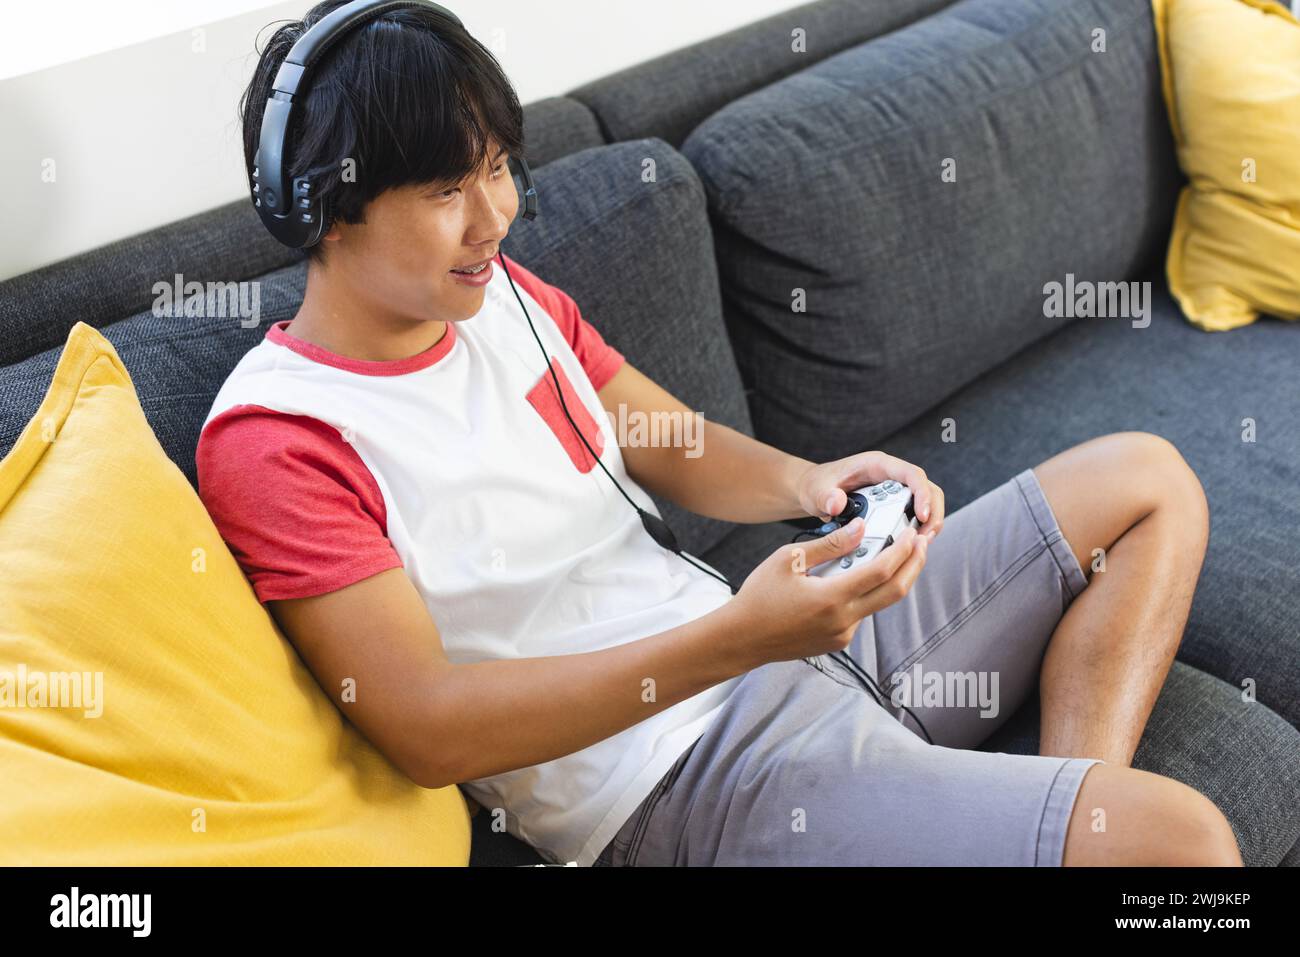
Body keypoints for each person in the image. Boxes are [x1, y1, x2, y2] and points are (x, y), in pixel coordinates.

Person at [196, 0, 1242, 867]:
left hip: (779, 653)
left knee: (1144, 481)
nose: (494, 216)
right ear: (319, 209)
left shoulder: (499, 295)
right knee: (1184, 844)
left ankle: (1070, 801)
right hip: (675, 780)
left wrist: (813, 485)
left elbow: (667, 436)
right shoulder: (282, 439)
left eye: (500, 168)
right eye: (443, 189)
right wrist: (739, 637)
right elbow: (427, 728)